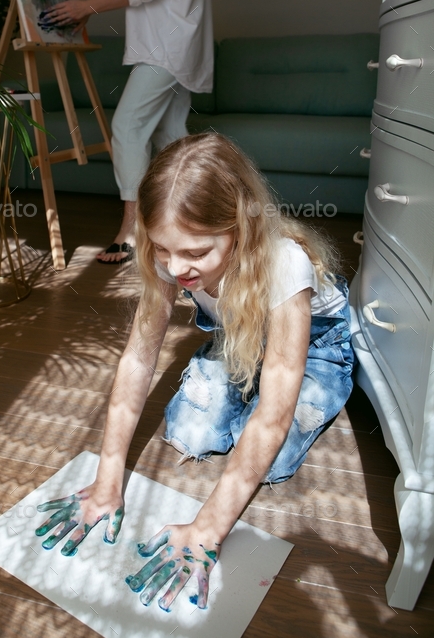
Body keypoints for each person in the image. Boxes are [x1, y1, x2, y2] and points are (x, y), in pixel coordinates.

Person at [35, 133, 355, 612]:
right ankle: (238, 362)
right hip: (243, 333)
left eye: (195, 253)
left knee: (275, 452)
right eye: (163, 249)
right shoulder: (170, 257)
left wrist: (208, 527)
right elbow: (139, 358)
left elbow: (272, 418)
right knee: (191, 431)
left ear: (240, 228)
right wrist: (107, 477)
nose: (175, 267)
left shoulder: (284, 266)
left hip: (313, 348)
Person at [45, 0, 214, 263]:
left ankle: (135, 229)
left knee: (127, 128)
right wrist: (83, 9)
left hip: (168, 45)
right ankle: (193, 223)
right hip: (173, 45)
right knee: (170, 137)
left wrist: (88, 6)